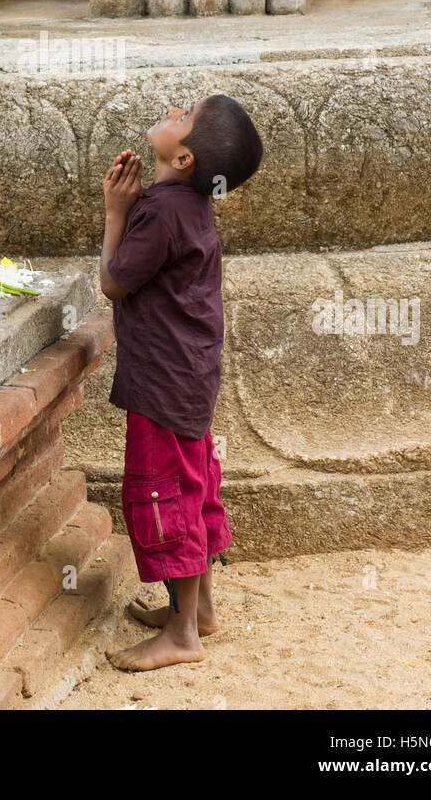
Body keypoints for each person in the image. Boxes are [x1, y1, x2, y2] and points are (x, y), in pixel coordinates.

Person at [100, 94, 263, 671]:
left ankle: (182, 633)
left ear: (186, 157)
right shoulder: (185, 204)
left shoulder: (161, 211)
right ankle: (200, 611)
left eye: (182, 117)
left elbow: (115, 282)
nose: (171, 111)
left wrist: (115, 212)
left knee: (163, 497)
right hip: (188, 375)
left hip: (163, 385)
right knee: (192, 487)